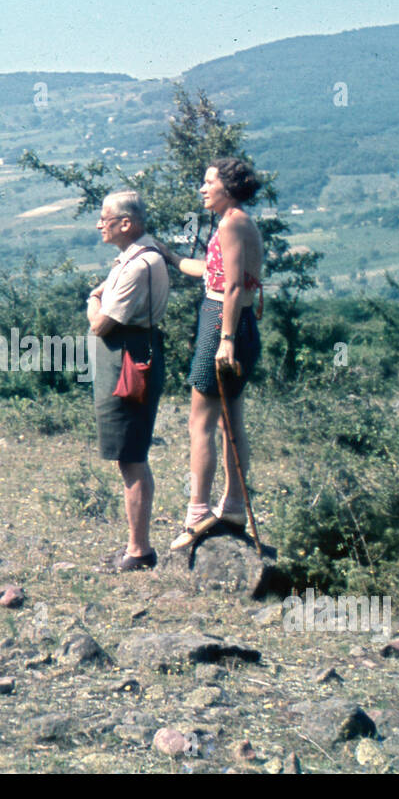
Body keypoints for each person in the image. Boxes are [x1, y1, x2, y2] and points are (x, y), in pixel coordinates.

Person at [155, 159, 264, 550]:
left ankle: (197, 512)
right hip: (240, 321)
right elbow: (212, 270)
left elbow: (231, 287)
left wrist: (226, 339)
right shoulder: (240, 222)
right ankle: (232, 506)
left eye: (209, 182)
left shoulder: (231, 224)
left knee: (200, 422)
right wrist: (170, 256)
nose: (202, 189)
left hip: (222, 321)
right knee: (230, 421)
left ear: (228, 187)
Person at [87, 190, 170, 571]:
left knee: (131, 456)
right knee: (129, 454)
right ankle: (136, 546)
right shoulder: (137, 258)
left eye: (105, 218)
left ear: (126, 223)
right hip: (129, 356)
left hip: (127, 362)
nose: (99, 225)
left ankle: (139, 550)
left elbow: (101, 324)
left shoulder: (137, 266)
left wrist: (92, 300)